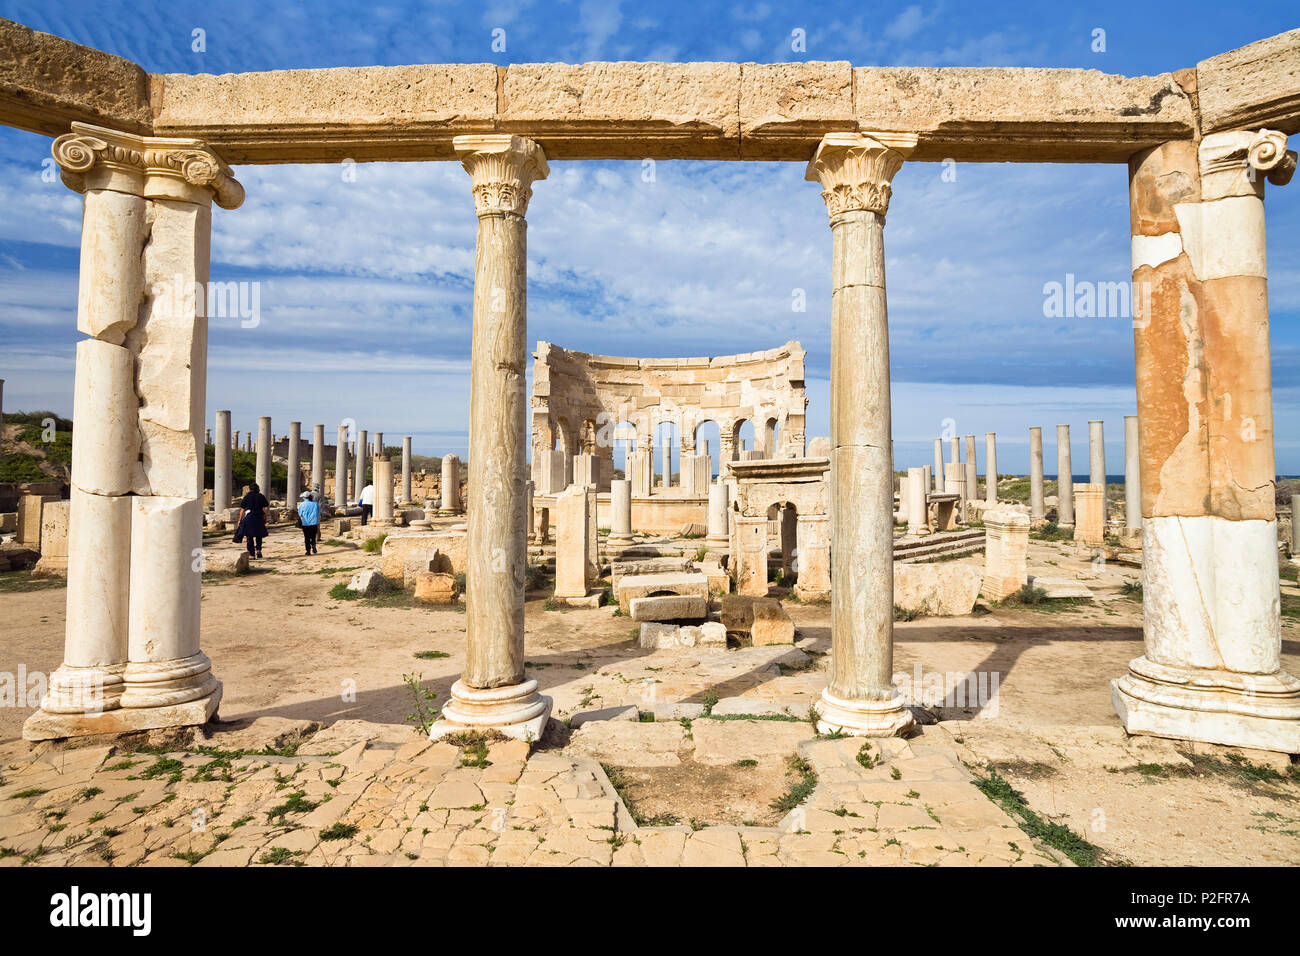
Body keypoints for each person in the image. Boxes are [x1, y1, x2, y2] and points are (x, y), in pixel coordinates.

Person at [237, 481, 270, 559]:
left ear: (250, 489)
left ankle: (251, 553)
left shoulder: (247, 497)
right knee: (259, 535)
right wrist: (265, 517)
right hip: (259, 517)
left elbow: (242, 510)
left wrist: (240, 520)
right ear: (258, 489)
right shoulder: (261, 496)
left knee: (249, 536)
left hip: (249, 518)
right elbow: (265, 508)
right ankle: (258, 550)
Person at [297, 491, 321, 555]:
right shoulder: (315, 504)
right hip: (314, 523)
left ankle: (308, 551)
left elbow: (300, 514)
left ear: (304, 497)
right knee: (313, 537)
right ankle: (313, 546)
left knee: (306, 537)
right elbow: (318, 513)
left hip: (305, 524)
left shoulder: (302, 505)